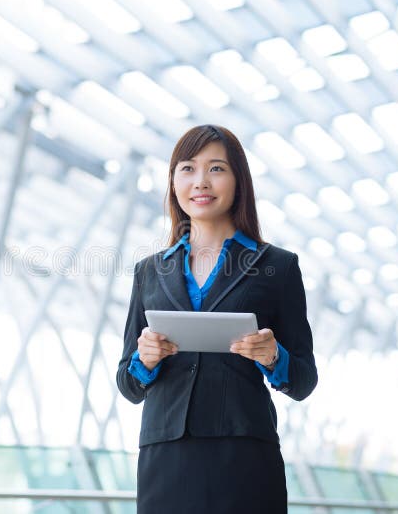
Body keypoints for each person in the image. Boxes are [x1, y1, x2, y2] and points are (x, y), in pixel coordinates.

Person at [116, 124, 318, 513]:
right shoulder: (149, 271)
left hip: (242, 457)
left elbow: (304, 381)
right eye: (187, 168)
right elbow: (128, 384)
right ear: (173, 181)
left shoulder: (277, 266)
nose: (200, 182)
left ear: (238, 180)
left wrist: (273, 356)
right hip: (165, 458)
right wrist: (145, 359)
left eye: (216, 169)